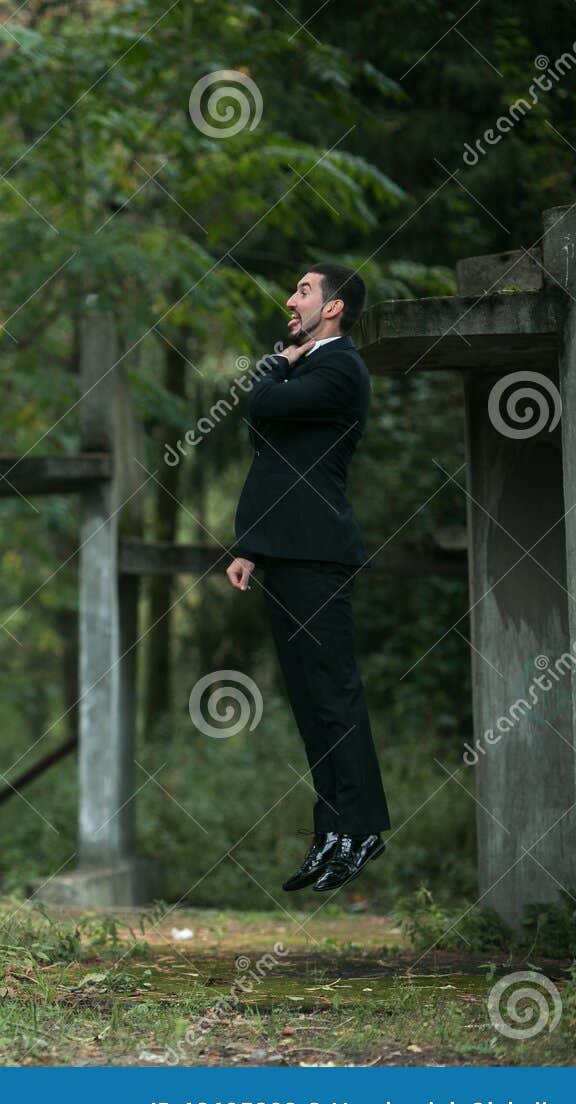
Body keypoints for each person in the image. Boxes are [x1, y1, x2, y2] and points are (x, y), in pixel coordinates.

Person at [227, 264, 391, 894]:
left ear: (335, 308)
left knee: (334, 695)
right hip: (287, 554)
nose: (290, 300)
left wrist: (280, 361)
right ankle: (332, 830)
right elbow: (277, 463)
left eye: (302, 290)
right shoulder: (307, 366)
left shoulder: (339, 368)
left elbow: (262, 402)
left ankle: (361, 827)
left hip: (321, 556)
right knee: (306, 699)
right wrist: (251, 547)